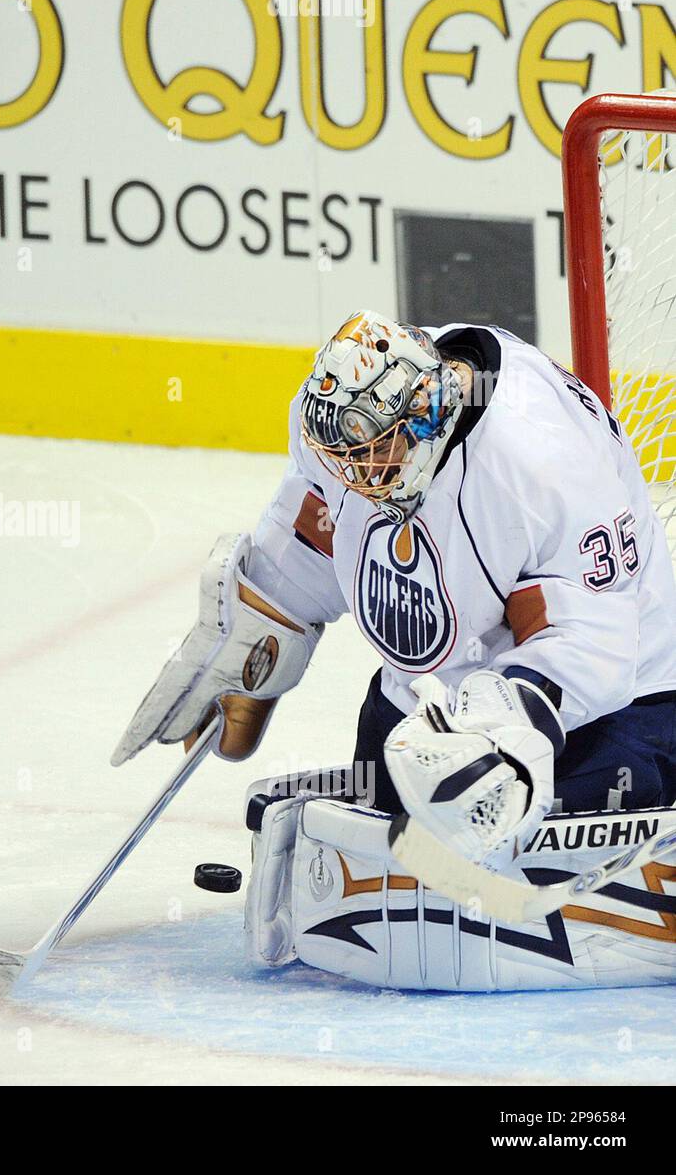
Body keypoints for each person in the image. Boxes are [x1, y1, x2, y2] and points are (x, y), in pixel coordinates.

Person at [115, 310, 676, 990]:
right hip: (425, 695)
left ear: (426, 416)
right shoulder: (343, 430)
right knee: (397, 815)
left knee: (552, 803)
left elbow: (587, 637)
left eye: (374, 455)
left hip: (616, 699)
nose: (360, 478)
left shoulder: (537, 464)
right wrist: (264, 623)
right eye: (345, 460)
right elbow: (318, 521)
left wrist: (504, 726)